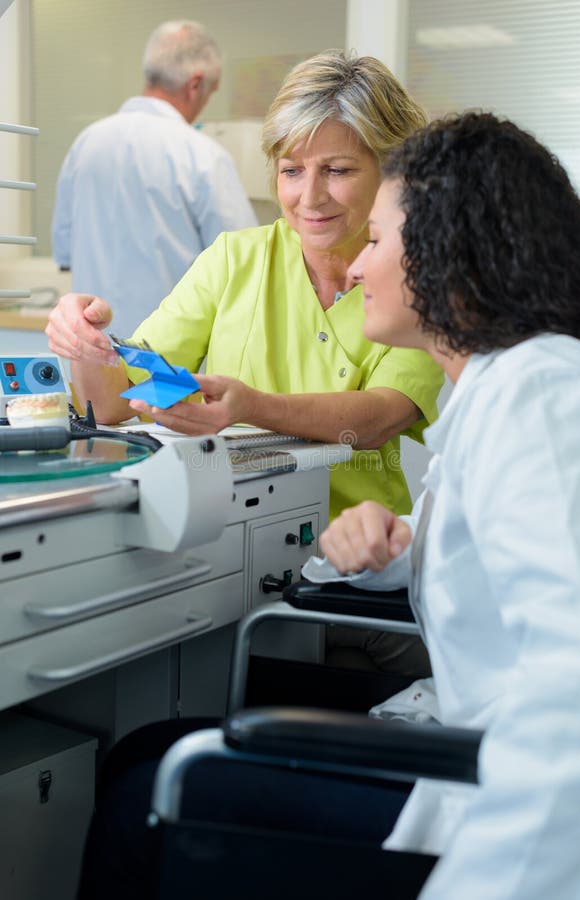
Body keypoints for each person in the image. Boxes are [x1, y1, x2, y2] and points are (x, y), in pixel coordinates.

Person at [76, 110, 580, 900]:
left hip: (503, 811)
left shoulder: (539, 397)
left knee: (148, 786)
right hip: (473, 746)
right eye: (291, 171)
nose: (357, 269)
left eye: (379, 240)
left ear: (448, 254)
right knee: (140, 752)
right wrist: (399, 543)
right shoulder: (511, 388)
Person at [47, 49, 444, 674]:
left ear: (389, 171)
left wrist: (250, 405)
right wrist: (87, 340)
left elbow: (377, 417)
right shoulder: (234, 260)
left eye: (337, 170)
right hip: (222, 554)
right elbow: (113, 402)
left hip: (352, 575)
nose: (308, 196)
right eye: (290, 171)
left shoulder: (413, 274)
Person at [51, 20, 257, 337]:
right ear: (195, 84)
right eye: (209, 94)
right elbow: (246, 265)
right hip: (171, 361)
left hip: (92, 349)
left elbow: (65, 253)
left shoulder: (85, 144)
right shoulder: (202, 155)